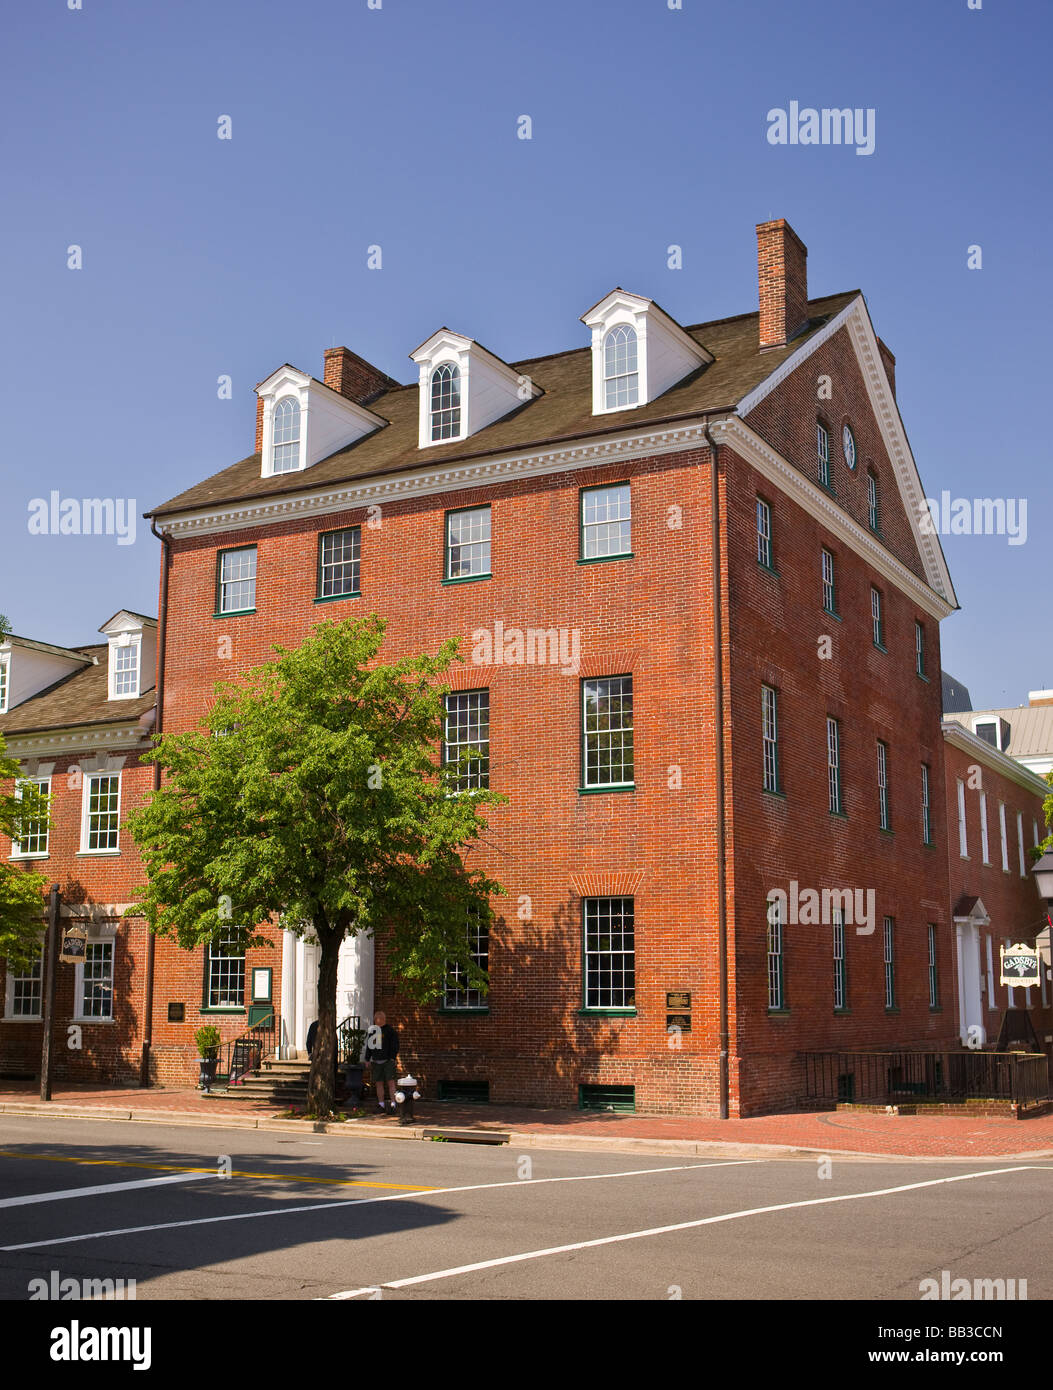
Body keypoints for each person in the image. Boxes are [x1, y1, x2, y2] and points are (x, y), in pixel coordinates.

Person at [365, 1010, 399, 1115]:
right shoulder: (373, 1031)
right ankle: (381, 1104)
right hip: (376, 1060)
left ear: (383, 1019)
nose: (377, 1021)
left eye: (378, 1019)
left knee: (391, 1082)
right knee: (378, 1083)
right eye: (375, 1019)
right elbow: (369, 1046)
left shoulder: (390, 1031)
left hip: (388, 1060)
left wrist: (392, 1058)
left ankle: (393, 1104)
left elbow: (395, 1045)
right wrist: (367, 1059)